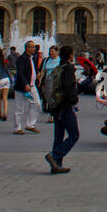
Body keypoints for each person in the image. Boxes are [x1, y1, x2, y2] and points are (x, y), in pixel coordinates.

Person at [45, 46, 80, 174]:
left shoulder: (58, 67)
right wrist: (74, 100)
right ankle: (55, 156)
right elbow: (68, 86)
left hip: (56, 106)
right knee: (74, 135)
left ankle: (56, 165)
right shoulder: (68, 68)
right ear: (70, 55)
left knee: (59, 136)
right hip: (65, 106)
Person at [13, 41, 42, 135]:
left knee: (36, 104)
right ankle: (17, 128)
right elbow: (20, 72)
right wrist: (25, 83)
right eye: (33, 47)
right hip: (22, 87)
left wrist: (36, 75)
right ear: (27, 48)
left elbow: (30, 70)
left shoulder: (31, 58)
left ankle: (30, 124)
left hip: (32, 86)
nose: (34, 49)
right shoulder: (21, 59)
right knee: (20, 107)